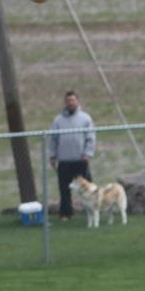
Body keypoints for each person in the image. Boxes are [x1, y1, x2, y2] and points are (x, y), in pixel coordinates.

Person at [47, 90, 96, 221]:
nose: (70, 103)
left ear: (77, 102)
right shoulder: (58, 120)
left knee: (88, 187)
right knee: (64, 189)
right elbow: (53, 139)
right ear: (65, 103)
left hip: (81, 159)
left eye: (73, 100)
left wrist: (88, 153)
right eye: (68, 101)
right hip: (64, 160)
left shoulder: (85, 118)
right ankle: (65, 213)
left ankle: (91, 211)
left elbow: (90, 138)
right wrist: (52, 156)